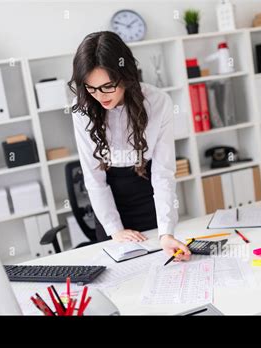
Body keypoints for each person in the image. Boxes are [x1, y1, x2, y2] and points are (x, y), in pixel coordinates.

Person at [68, 31, 190, 262]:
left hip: (148, 194)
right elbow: (93, 177)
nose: (99, 96)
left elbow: (163, 173)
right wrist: (115, 229)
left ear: (124, 75)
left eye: (107, 86)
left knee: (159, 264)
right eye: (91, 88)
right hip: (109, 200)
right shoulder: (83, 107)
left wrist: (166, 232)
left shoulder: (158, 102)